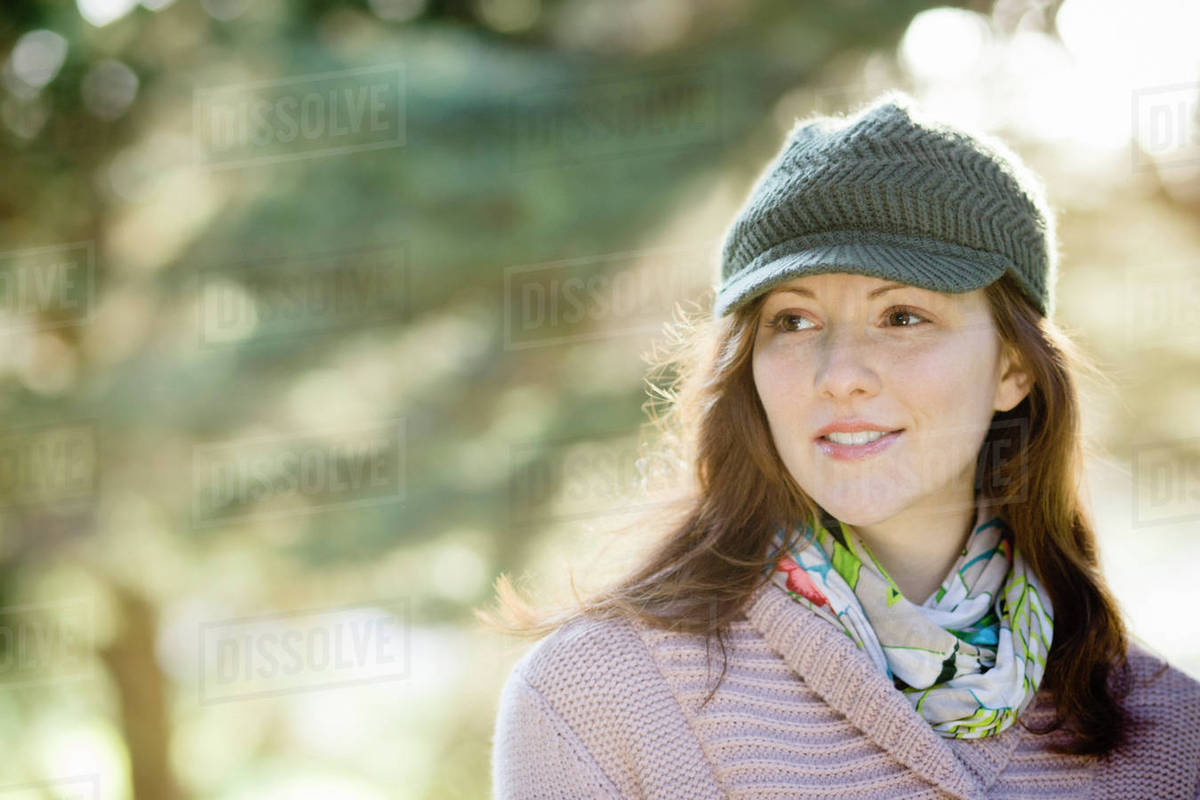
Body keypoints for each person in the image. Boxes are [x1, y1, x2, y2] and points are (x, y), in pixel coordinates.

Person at [481, 89, 1200, 799]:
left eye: (902, 315)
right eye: (793, 321)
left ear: (1013, 367)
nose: (840, 376)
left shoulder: (1172, 738)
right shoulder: (598, 700)